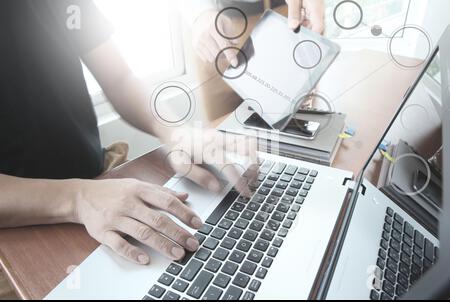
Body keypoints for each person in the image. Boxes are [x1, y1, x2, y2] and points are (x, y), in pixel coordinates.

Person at [0, 0, 257, 267]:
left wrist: (173, 131)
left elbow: (119, 78)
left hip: (99, 180)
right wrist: (78, 197)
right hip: (18, 226)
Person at [185, 0, 325, 121]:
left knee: (297, 132)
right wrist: (200, 11)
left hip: (287, 19)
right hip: (217, 33)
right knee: (224, 140)